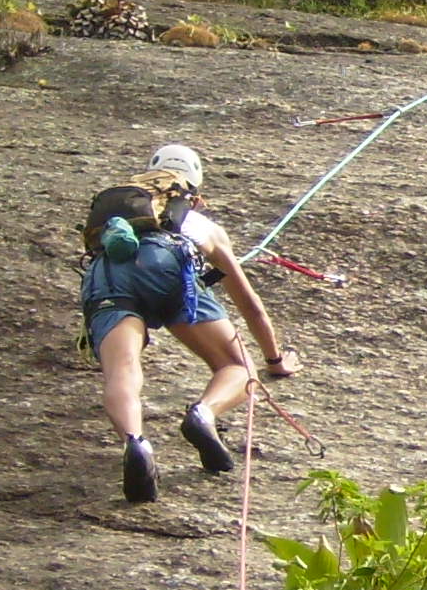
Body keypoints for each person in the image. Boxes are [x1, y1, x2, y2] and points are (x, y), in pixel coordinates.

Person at [77, 142, 299, 503]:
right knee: (235, 366)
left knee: (122, 371)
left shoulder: (118, 218)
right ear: (192, 191)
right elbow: (250, 305)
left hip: (108, 274)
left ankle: (136, 443)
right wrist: (274, 360)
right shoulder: (200, 224)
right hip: (167, 266)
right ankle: (203, 413)